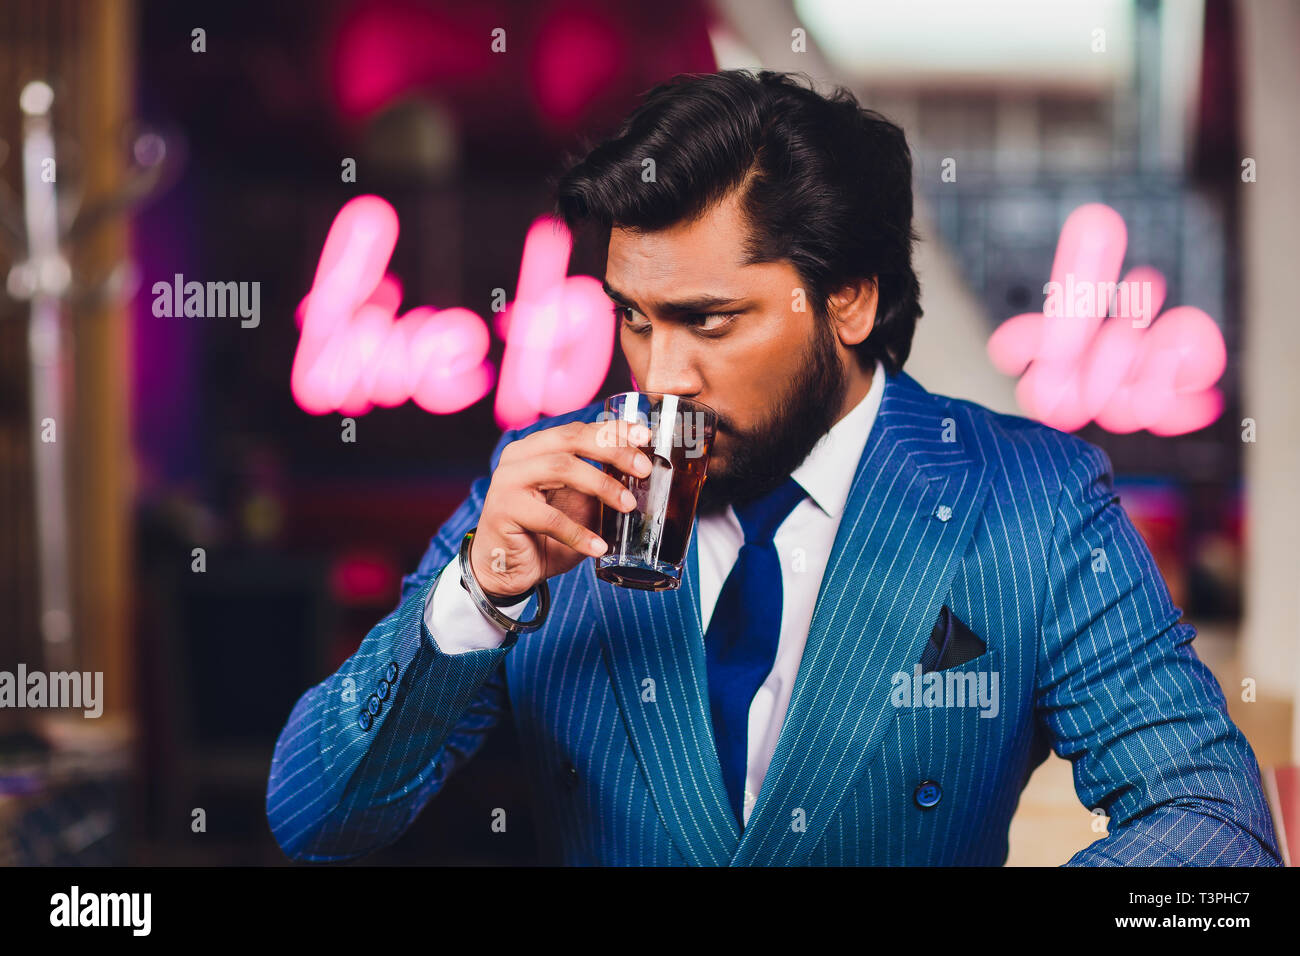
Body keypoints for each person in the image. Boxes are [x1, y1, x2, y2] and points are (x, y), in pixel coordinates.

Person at [266, 69, 1281, 866]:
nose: (659, 375)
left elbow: (1214, 832)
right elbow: (315, 816)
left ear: (846, 300)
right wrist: (473, 597)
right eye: (632, 317)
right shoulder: (546, 488)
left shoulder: (1031, 503)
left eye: (708, 320)